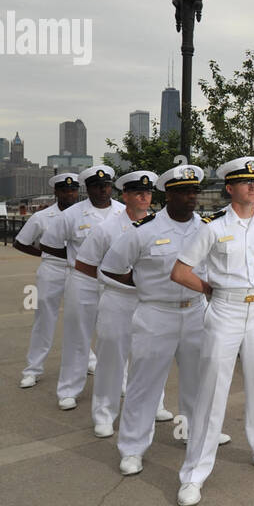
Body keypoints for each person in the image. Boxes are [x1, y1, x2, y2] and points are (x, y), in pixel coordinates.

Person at [170, 156, 254, 506]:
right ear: (230, 188)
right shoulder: (211, 227)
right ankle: (194, 474)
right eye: (246, 182)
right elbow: (180, 272)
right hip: (225, 312)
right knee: (213, 392)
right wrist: (211, 290)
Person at [102, 164, 209, 476]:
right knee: (144, 384)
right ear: (168, 195)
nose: (191, 197)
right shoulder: (144, 231)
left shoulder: (206, 228)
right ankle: (132, 447)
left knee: (198, 380)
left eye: (194, 191)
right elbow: (111, 267)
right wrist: (145, 286)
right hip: (156, 314)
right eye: (183, 192)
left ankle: (195, 432)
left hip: (195, 312)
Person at [74, 171, 159, 438]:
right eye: (137, 192)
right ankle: (104, 413)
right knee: (111, 359)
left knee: (150, 358)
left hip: (149, 301)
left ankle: (154, 404)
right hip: (118, 299)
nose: (144, 197)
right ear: (125, 196)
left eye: (147, 192)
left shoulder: (159, 225)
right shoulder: (107, 228)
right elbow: (84, 263)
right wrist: (108, 281)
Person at [43, 166, 126, 410]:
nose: (103, 190)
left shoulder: (124, 212)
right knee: (77, 337)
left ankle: (119, 380)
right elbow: (49, 245)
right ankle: (69, 388)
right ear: (87, 189)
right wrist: (76, 259)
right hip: (83, 281)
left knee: (116, 337)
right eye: (97, 186)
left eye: (107, 185)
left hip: (115, 283)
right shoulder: (72, 215)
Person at [13, 174, 80, 388]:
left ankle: (89, 360)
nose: (70, 194)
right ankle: (33, 369)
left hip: (79, 272)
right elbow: (21, 243)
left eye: (73, 190)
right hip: (52, 270)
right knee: (44, 319)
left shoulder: (84, 214)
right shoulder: (42, 217)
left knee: (81, 319)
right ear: (56, 193)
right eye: (65, 190)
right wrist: (45, 255)